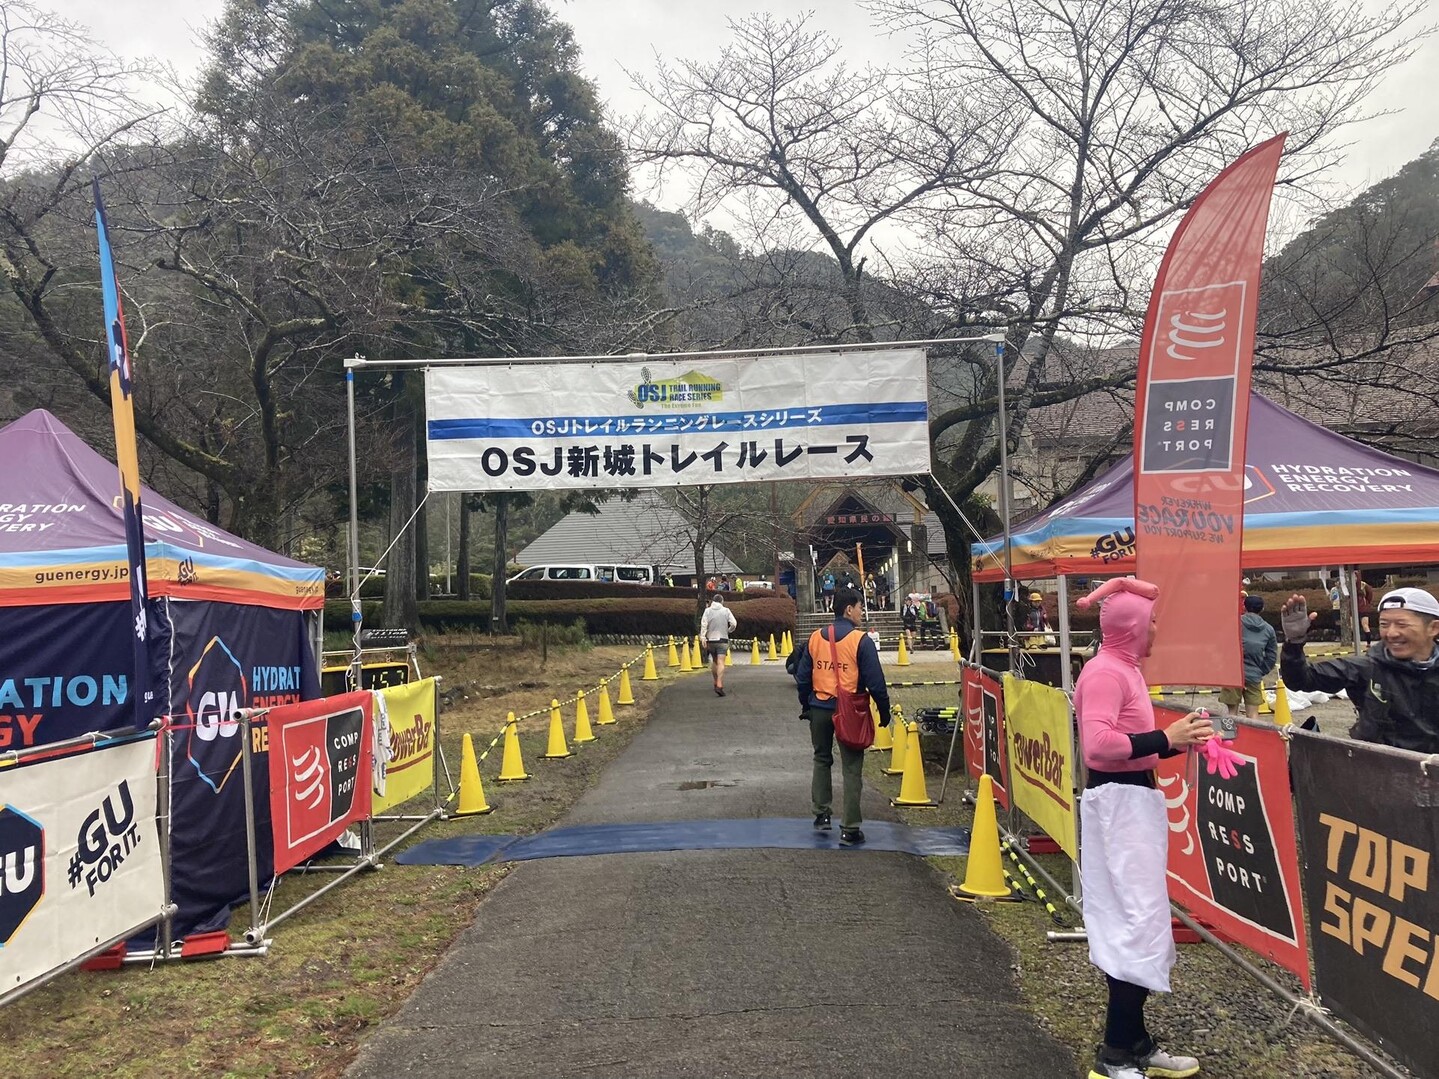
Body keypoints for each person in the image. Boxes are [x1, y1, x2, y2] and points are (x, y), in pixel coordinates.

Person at [1074, 576, 1212, 1079]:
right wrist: (1164, 735)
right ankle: (1116, 1051)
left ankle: (1134, 1040)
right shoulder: (1105, 673)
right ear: (1132, 627)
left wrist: (1179, 741)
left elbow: (1133, 744)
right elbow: (1098, 748)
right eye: (1151, 621)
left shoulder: (1125, 669)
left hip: (1132, 802)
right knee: (1134, 922)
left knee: (1143, 921)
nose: (1156, 628)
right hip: (1118, 807)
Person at [1279, 586, 1439, 753]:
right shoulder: (1366, 668)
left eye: (1402, 625)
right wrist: (1294, 643)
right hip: (1379, 769)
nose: (1391, 633)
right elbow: (1302, 679)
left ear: (1433, 628)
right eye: (1384, 624)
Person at [795, 586, 891, 845]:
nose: (862, 612)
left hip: (819, 707)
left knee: (821, 758)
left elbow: (802, 677)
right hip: (849, 710)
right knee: (851, 767)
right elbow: (876, 683)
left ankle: (822, 814)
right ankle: (850, 828)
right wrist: (884, 712)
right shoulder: (861, 641)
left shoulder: (815, 638)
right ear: (849, 609)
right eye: (860, 607)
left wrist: (806, 705)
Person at [1219, 594, 1278, 720]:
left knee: (1231, 713)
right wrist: (1261, 670)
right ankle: (1252, 738)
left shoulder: (1234, 622)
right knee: (1253, 714)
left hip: (1233, 673)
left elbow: (1223, 644)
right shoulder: (1268, 629)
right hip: (1254, 674)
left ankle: (1230, 738)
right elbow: (1272, 655)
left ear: (1244, 606)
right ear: (1262, 609)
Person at [699, 593, 738, 697]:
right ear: (721, 601)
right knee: (721, 662)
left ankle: (715, 681)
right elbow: (734, 623)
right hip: (722, 639)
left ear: (713, 601)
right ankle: (720, 684)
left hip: (711, 640)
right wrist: (728, 630)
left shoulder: (707, 611)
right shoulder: (726, 611)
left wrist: (703, 637)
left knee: (715, 661)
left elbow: (704, 624)